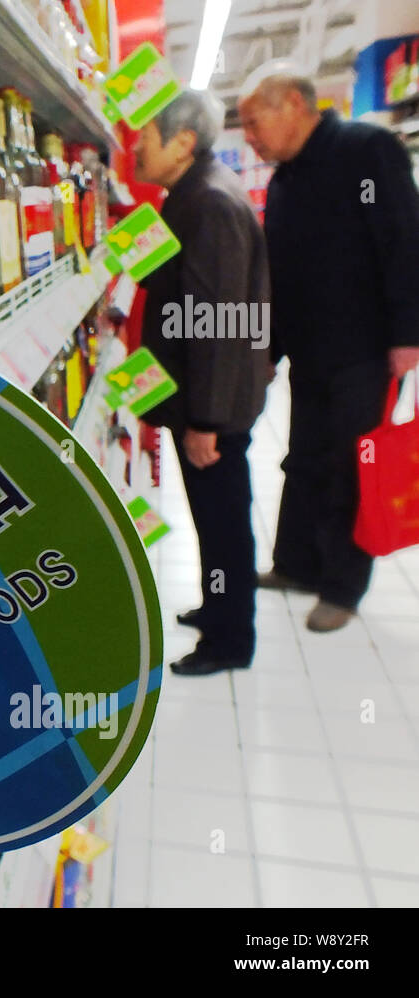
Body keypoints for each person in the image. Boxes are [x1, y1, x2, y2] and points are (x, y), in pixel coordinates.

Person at [238, 62, 419, 632]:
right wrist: (270, 349)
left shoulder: (369, 151)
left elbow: (405, 241)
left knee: (353, 465)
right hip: (310, 354)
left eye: (252, 121)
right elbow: (285, 274)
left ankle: (342, 586)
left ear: (293, 103)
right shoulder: (285, 178)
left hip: (366, 352)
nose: (248, 136)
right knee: (304, 460)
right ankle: (297, 565)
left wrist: (407, 335)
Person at [133, 88, 271, 676]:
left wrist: (206, 421)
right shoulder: (195, 192)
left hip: (212, 405)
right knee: (213, 516)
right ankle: (219, 609)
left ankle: (230, 640)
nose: (137, 150)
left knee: (221, 521)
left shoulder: (208, 203)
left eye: (146, 138)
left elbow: (214, 322)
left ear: (183, 142)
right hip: (206, 399)